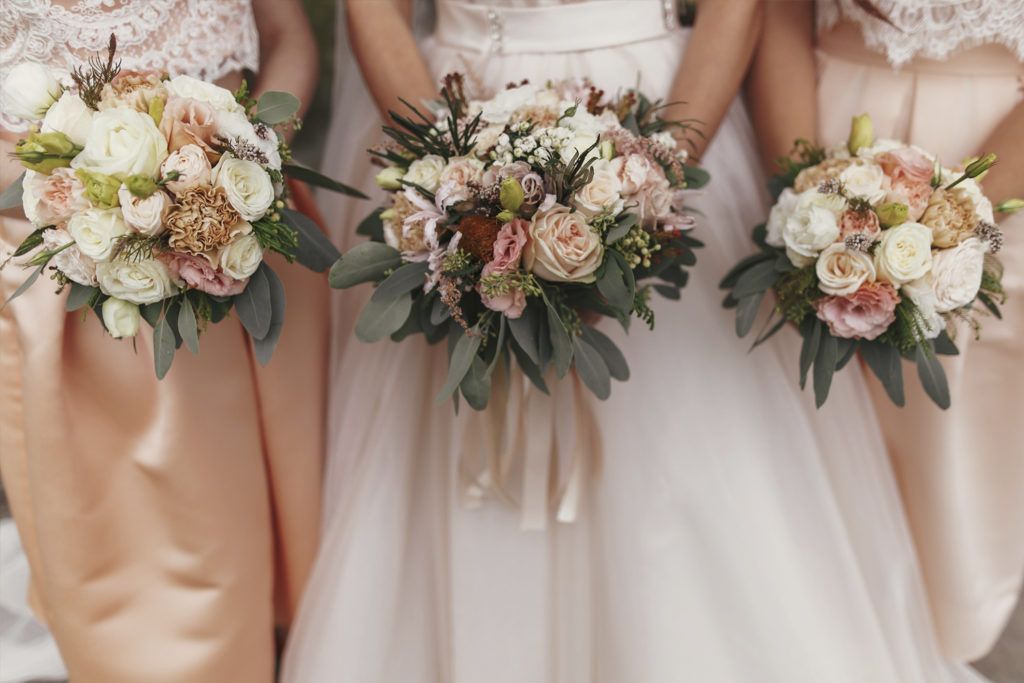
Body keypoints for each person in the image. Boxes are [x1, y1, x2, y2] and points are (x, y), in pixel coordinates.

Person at [284, 1, 988, 680]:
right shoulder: (451, 165)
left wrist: (648, 191)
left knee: (686, 448)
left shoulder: (661, 158)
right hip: (452, 113)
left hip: (663, 111)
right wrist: (454, 183)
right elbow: (374, 10)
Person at [0, 1, 326, 681]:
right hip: (74, 277)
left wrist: (250, 157)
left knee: (306, 566)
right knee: (154, 600)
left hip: (248, 237)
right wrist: (101, 203)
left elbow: (286, 36)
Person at [749, 0, 1024, 662]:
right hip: (829, 129)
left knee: (963, 439)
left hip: (999, 155)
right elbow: (779, 16)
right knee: (818, 436)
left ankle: (943, 646)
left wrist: (948, 226)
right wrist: (806, 203)